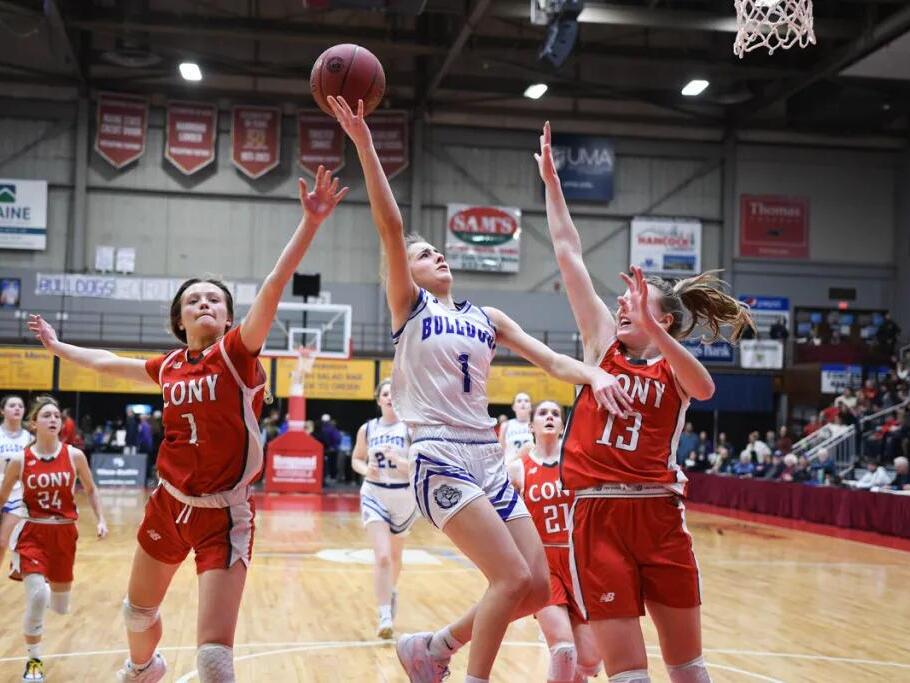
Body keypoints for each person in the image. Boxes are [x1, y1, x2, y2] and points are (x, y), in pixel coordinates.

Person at [328, 97, 626, 683]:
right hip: (437, 453)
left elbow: (549, 361)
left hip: (486, 457)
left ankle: (434, 646)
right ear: (404, 272)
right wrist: (364, 142)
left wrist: (594, 373)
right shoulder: (407, 309)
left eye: (436, 249)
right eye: (421, 254)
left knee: (539, 587)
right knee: (510, 579)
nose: (434, 254)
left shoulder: (487, 314)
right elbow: (389, 225)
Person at [27, 166, 347, 683]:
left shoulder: (237, 353)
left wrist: (310, 224)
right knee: (135, 614)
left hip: (225, 514)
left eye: (214, 300)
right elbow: (111, 364)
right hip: (170, 502)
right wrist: (60, 348)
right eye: (193, 299)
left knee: (214, 659)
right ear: (180, 321)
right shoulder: (170, 365)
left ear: (227, 319)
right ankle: (143, 667)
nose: (204, 303)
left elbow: (272, 284)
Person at [537, 121, 755, 683]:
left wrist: (659, 336)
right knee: (628, 672)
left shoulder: (674, 366)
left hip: (659, 514)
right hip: (600, 516)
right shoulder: (599, 346)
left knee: (687, 666)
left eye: (634, 300)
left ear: (663, 319)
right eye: (621, 299)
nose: (621, 305)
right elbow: (568, 252)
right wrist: (553, 186)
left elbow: (704, 388)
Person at [0, 395, 108, 683]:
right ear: (34, 423)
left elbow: (91, 489)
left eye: (57, 417)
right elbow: (2, 496)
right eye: (46, 416)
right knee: (37, 596)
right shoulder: (21, 460)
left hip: (64, 534)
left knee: (60, 607)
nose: (53, 420)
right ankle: (33, 661)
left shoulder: (74, 456)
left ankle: (45, 589)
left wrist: (100, 520)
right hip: (32, 530)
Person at [507, 401, 602, 683]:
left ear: (562, 426)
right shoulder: (517, 469)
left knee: (588, 664)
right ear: (531, 425)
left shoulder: (579, 462)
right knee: (563, 652)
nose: (549, 417)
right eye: (543, 413)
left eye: (555, 414)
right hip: (543, 564)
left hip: (580, 564)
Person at [351, 379, 415, 640]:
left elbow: (418, 466)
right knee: (383, 557)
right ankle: (385, 615)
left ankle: (391, 591)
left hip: (403, 497)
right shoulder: (367, 429)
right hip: (374, 493)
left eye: (394, 393)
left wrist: (398, 461)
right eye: (385, 393)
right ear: (378, 400)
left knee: (396, 557)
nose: (390, 397)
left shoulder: (411, 429)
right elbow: (357, 458)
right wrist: (367, 469)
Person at [0, 394, 31, 569]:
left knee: (2, 542)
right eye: (12, 405)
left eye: (20, 405)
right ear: (2, 410)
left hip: (17, 493)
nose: (17, 408)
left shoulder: (28, 437)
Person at [500, 392, 534, 464]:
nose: (523, 403)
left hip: (530, 464)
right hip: (511, 464)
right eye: (519, 401)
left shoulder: (536, 425)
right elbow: (501, 450)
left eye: (526, 401)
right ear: (513, 407)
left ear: (531, 406)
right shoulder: (506, 425)